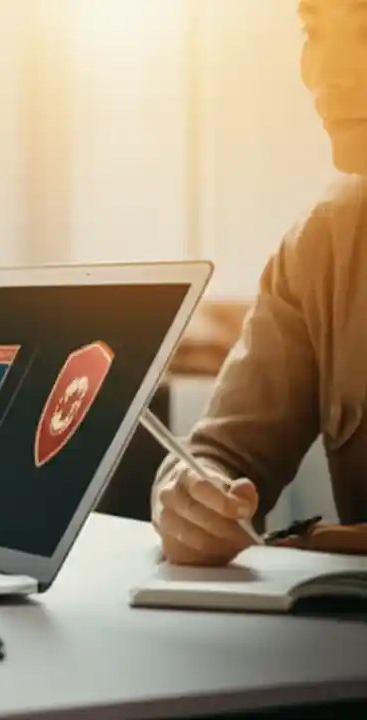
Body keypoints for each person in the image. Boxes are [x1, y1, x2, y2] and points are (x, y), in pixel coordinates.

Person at [151, 0, 367, 565]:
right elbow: (219, 456)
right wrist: (191, 500)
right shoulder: (324, 241)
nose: (329, 73)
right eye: (314, 32)